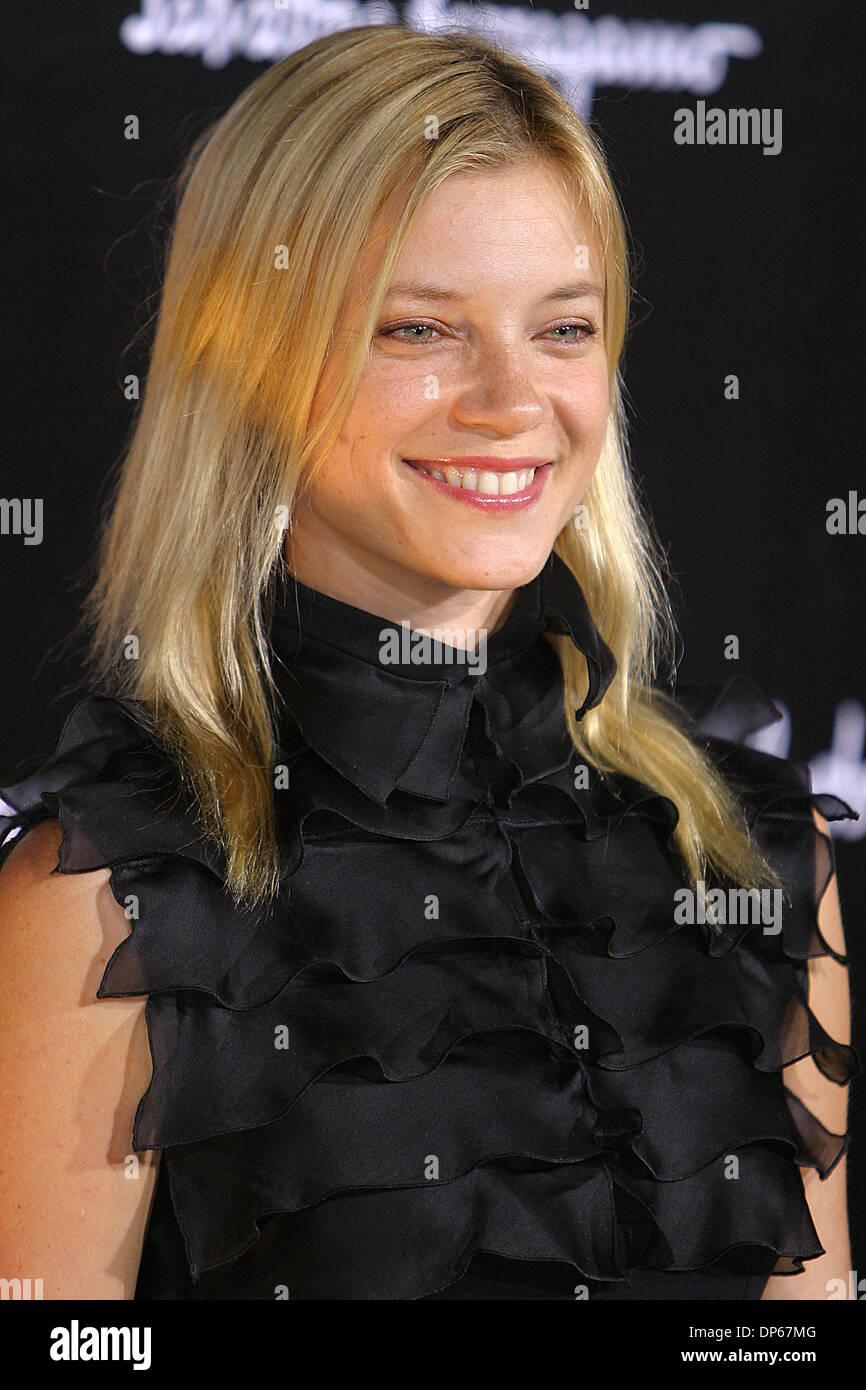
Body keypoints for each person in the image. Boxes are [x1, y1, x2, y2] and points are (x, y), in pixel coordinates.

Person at [0, 25, 858, 1301]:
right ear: (252, 359)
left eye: (561, 328)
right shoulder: (112, 893)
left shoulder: (745, 847)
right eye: (417, 329)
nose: (510, 401)